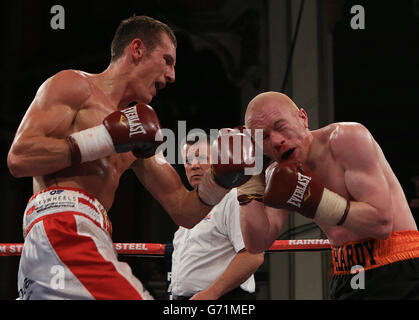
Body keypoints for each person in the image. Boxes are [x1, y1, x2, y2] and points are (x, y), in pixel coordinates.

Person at [7, 16, 247, 300]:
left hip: (84, 236)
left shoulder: (139, 132)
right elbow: (19, 158)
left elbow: (184, 210)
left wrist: (220, 178)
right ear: (137, 49)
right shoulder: (72, 86)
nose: (171, 76)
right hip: (64, 227)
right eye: (167, 60)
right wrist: (105, 138)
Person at [239, 91, 419, 299]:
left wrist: (317, 201)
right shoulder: (276, 174)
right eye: (264, 137)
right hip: (347, 272)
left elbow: (382, 223)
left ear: (303, 118)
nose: (277, 141)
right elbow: (257, 243)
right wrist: (245, 180)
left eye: (280, 126)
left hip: (398, 264)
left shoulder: (346, 139)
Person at [169, 135, 264, 300]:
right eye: (188, 160)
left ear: (218, 161)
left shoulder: (233, 198)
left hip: (225, 299)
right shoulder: (188, 208)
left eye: (202, 158)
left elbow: (252, 256)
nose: (194, 166)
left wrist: (211, 293)